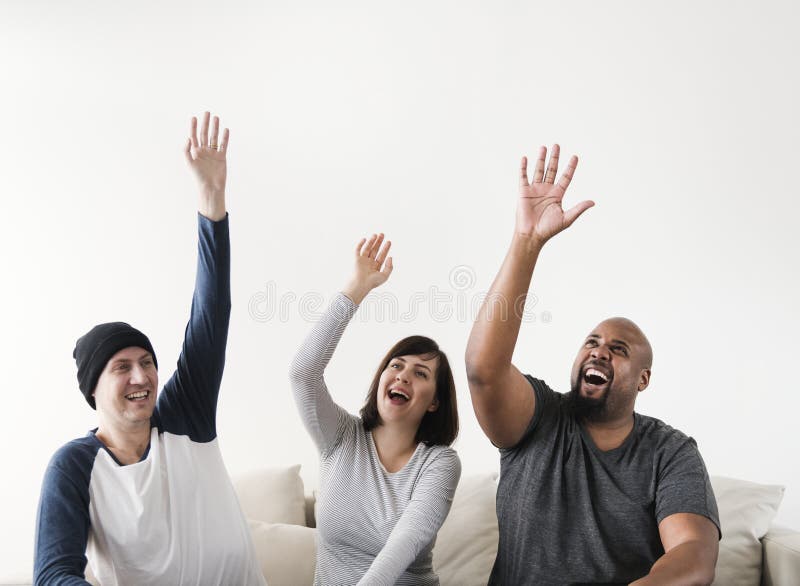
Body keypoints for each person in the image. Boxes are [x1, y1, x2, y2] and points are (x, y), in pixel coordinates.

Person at [465, 145, 720, 585]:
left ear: (643, 379)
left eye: (619, 349)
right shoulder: (538, 417)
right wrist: (527, 243)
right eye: (592, 342)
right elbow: (483, 370)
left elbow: (694, 556)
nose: (600, 351)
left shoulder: (670, 452)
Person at [34, 113, 266, 585]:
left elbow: (211, 313)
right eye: (122, 367)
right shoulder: (74, 466)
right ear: (93, 388)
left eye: (147, 363)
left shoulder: (186, 414)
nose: (141, 377)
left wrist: (211, 201)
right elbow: (54, 574)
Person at [289, 233, 461, 586]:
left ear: (435, 402)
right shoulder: (339, 436)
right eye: (396, 366)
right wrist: (356, 289)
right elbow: (303, 373)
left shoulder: (439, 463)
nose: (403, 377)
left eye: (420, 373)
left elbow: (406, 541)